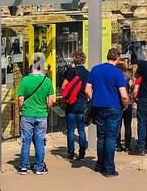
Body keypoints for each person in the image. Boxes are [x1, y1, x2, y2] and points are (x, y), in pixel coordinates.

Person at [86, 47, 129, 176]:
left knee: (101, 137)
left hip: (99, 107)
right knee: (111, 138)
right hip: (114, 107)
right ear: (117, 58)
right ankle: (109, 168)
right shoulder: (117, 73)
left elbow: (87, 89)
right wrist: (125, 105)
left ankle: (99, 164)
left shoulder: (95, 69)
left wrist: (95, 99)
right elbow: (124, 95)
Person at [15, 54, 53, 175]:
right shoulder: (47, 81)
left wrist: (21, 110)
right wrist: (47, 110)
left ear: (32, 67)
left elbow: (20, 99)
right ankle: (39, 167)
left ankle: (24, 167)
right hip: (41, 114)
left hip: (27, 114)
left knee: (26, 141)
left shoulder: (25, 80)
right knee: (40, 141)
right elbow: (50, 101)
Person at [58, 51, 90, 161]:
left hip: (71, 103)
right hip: (82, 103)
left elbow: (63, 86)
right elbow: (89, 89)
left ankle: (70, 154)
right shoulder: (87, 73)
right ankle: (82, 154)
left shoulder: (72, 71)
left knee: (70, 130)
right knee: (81, 129)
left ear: (74, 59)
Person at [117, 59, 135, 153]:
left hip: (118, 103)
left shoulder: (115, 77)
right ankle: (128, 145)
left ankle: (118, 145)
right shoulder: (128, 77)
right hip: (128, 102)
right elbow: (132, 88)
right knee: (127, 125)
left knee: (118, 125)